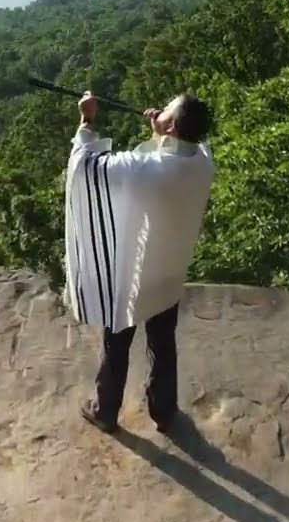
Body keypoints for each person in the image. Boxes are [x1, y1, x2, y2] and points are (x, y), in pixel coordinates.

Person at [64, 89, 216, 434]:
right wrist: (159, 132)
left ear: (174, 128)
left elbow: (88, 168)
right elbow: (173, 156)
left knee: (116, 343)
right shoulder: (203, 159)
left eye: (166, 112)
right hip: (170, 271)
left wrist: (87, 122)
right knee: (163, 343)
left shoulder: (146, 169)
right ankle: (163, 411)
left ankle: (105, 411)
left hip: (134, 274)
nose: (158, 110)